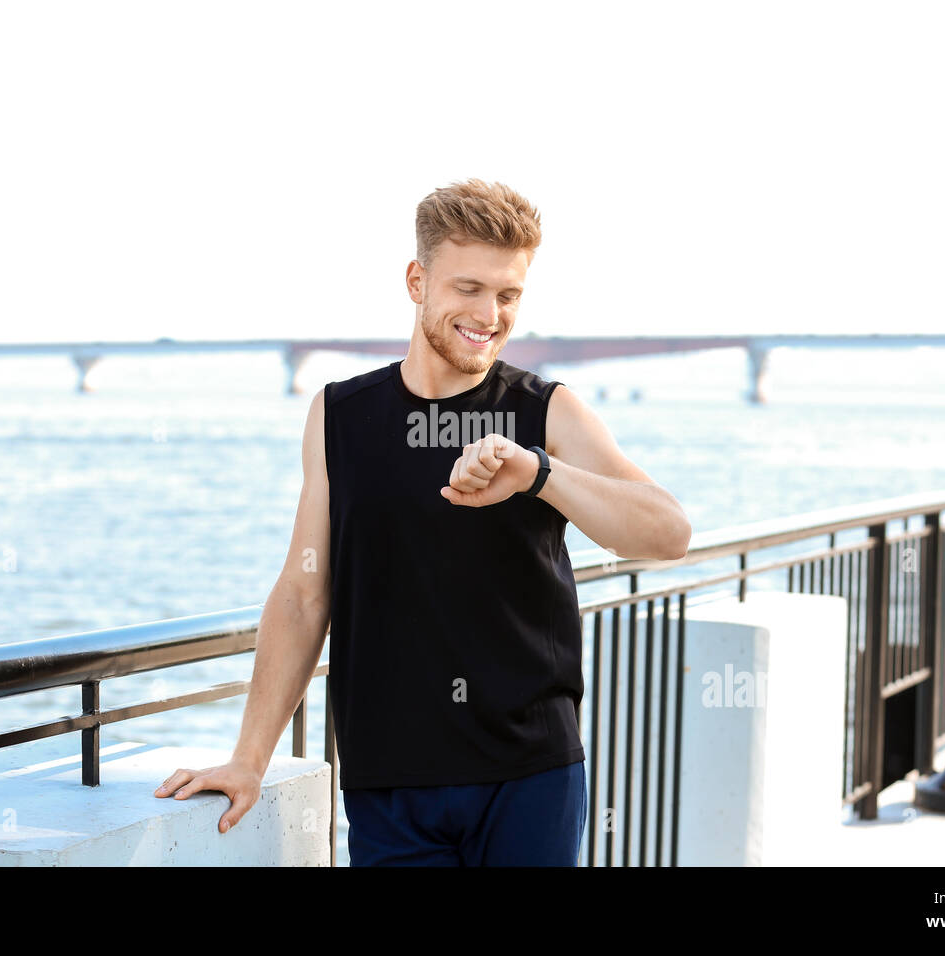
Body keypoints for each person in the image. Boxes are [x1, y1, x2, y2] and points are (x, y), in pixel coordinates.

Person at [155, 178, 691, 865]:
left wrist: (538, 474)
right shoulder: (339, 416)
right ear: (418, 280)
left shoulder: (546, 411)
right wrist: (249, 759)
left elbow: (669, 532)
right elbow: (303, 591)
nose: (489, 314)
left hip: (530, 776)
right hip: (391, 784)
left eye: (508, 295)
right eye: (468, 288)